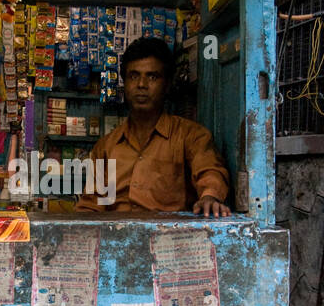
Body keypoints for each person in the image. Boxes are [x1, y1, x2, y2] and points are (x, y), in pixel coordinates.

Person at [77, 37, 231, 216]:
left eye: (152, 76)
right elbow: (90, 206)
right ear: (124, 83)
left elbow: (209, 171)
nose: (142, 85)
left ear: (167, 85)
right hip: (116, 240)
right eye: (134, 76)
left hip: (169, 240)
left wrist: (210, 197)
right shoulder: (106, 147)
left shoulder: (190, 136)